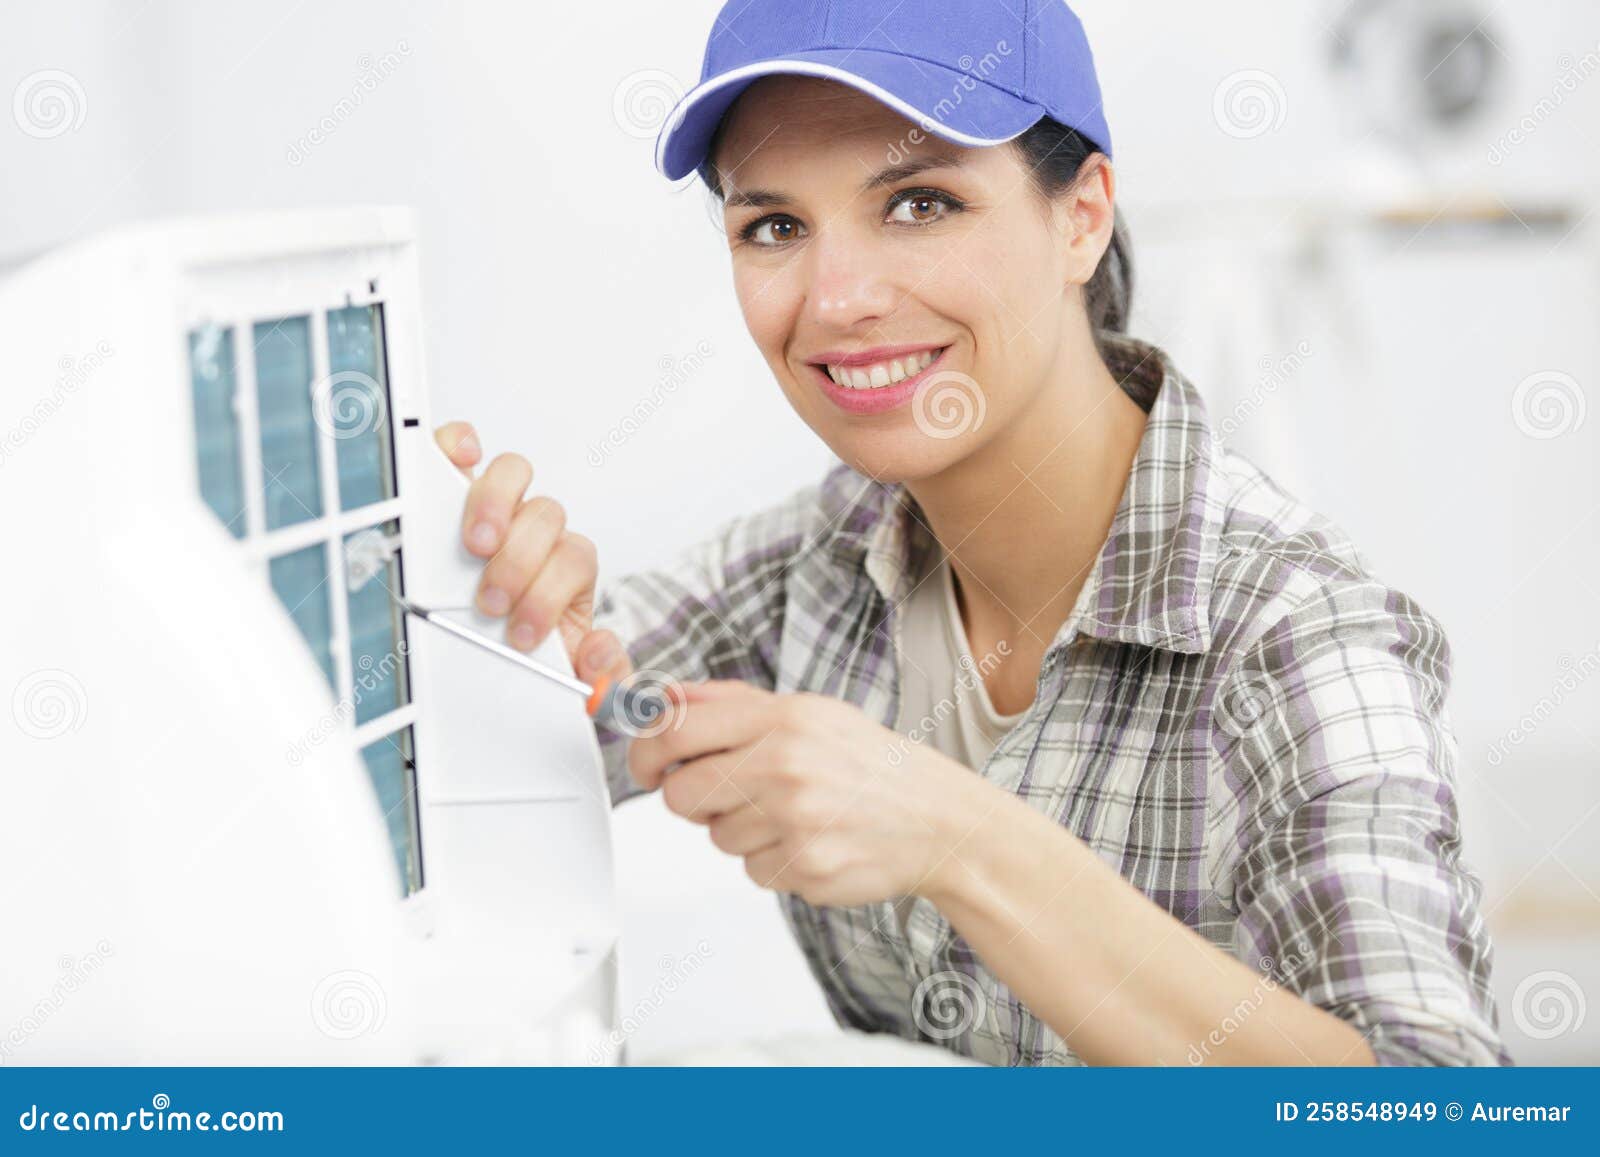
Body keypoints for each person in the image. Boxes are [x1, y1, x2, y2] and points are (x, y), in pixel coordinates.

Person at [432, 0, 1510, 1066]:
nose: (839, 297)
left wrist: (959, 836)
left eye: (919, 204)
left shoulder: (1295, 632)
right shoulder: (817, 561)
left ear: (1080, 215)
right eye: (774, 226)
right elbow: (532, 730)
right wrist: (495, 607)